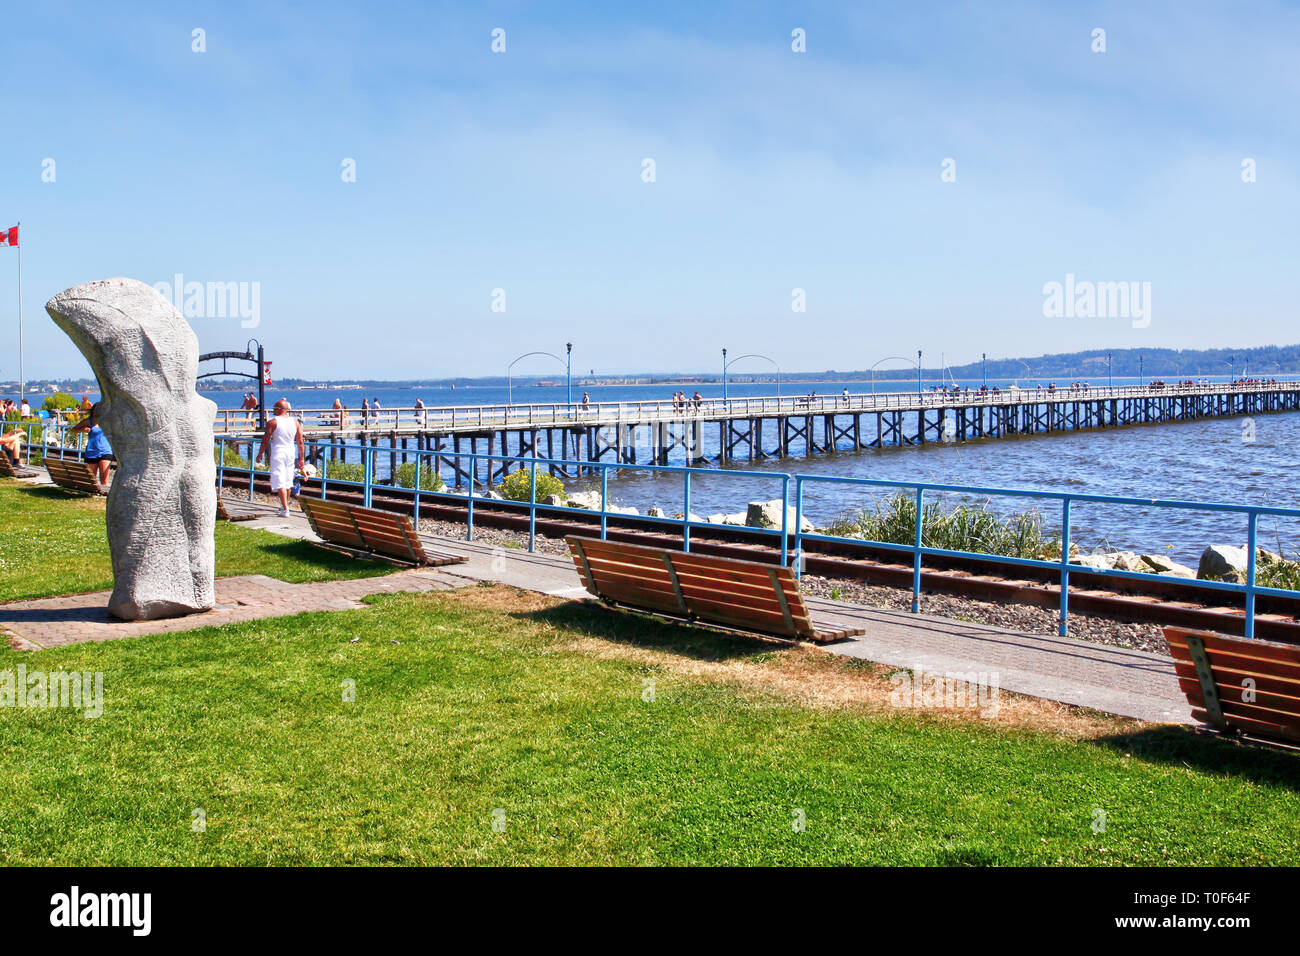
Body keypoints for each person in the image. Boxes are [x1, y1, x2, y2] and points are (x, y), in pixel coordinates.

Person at [255, 399, 306, 517]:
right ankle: (285, 505)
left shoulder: (273, 422)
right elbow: (300, 442)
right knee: (288, 480)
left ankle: (285, 509)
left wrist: (260, 454)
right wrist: (301, 458)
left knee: (280, 480)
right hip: (290, 452)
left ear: (279, 409)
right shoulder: (295, 422)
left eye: (274, 408)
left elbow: (265, 440)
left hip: (278, 452)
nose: (273, 410)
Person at [68, 403, 114, 494]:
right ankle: (93, 494)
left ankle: (104, 496)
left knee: (104, 478)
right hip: (92, 452)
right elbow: (73, 430)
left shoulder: (108, 421)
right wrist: (83, 430)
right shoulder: (89, 421)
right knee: (91, 479)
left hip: (106, 451)